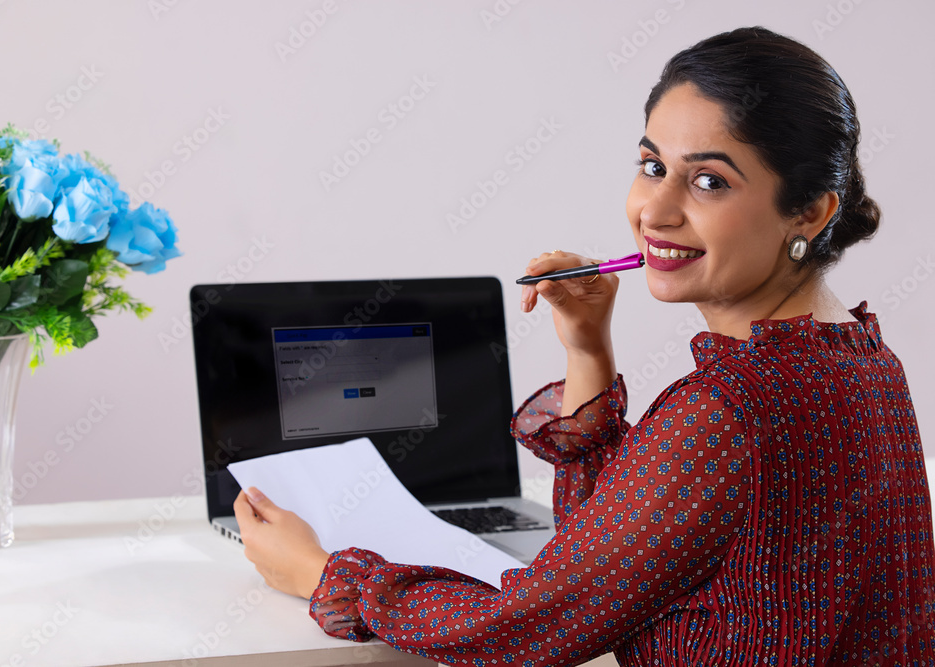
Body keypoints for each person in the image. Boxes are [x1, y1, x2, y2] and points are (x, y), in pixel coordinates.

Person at [233, 26, 935, 665]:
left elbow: (523, 627)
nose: (654, 212)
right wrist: (588, 352)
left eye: (710, 181)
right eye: (652, 165)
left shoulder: (725, 412)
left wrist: (327, 575)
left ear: (810, 211)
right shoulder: (866, 361)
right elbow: (604, 561)